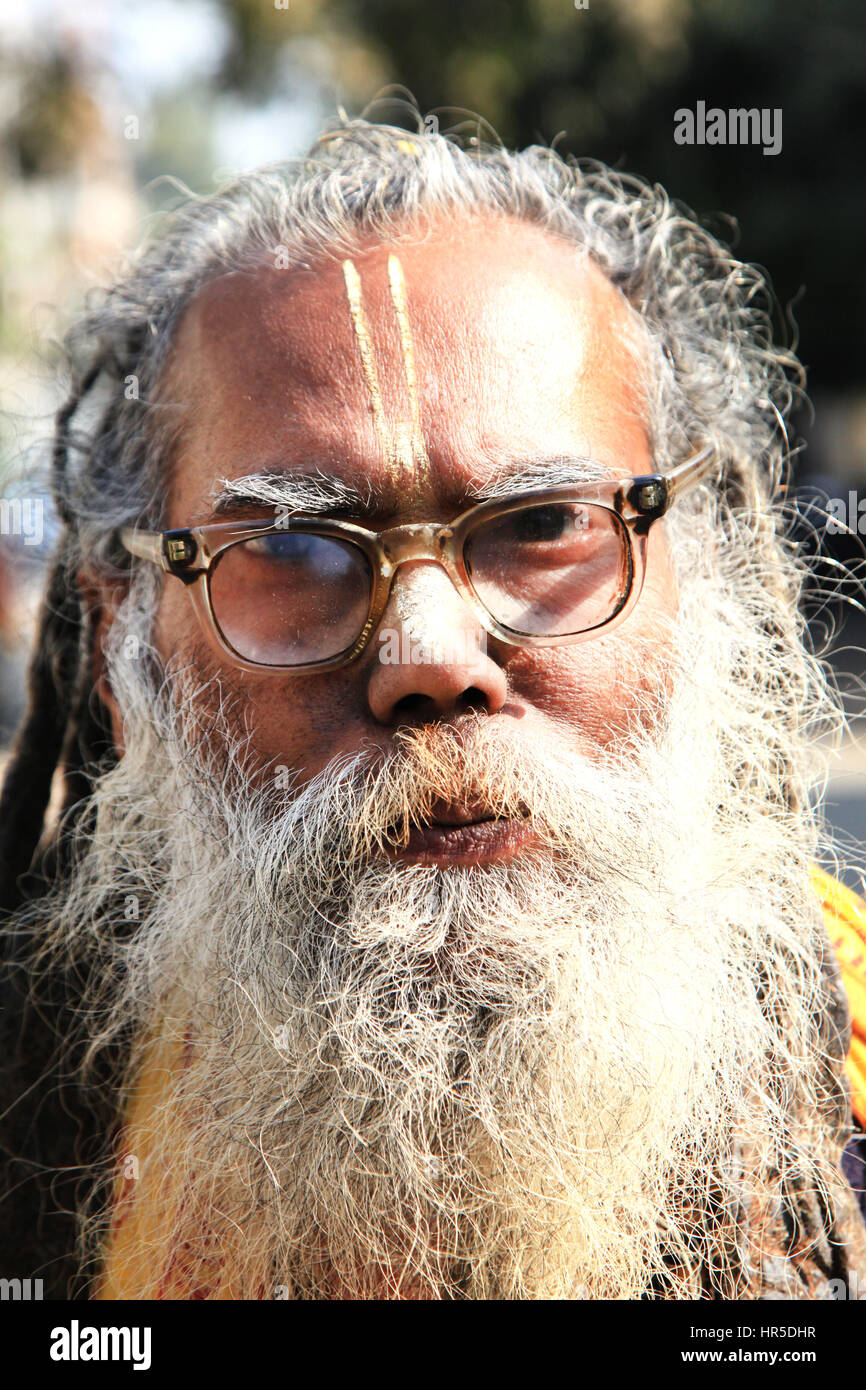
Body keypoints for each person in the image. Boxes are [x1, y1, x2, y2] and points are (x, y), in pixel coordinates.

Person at [1, 116, 864, 1301]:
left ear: (695, 573)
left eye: (544, 522)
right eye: (295, 546)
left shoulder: (845, 1087)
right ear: (119, 636)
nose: (430, 657)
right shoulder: (32, 1120)